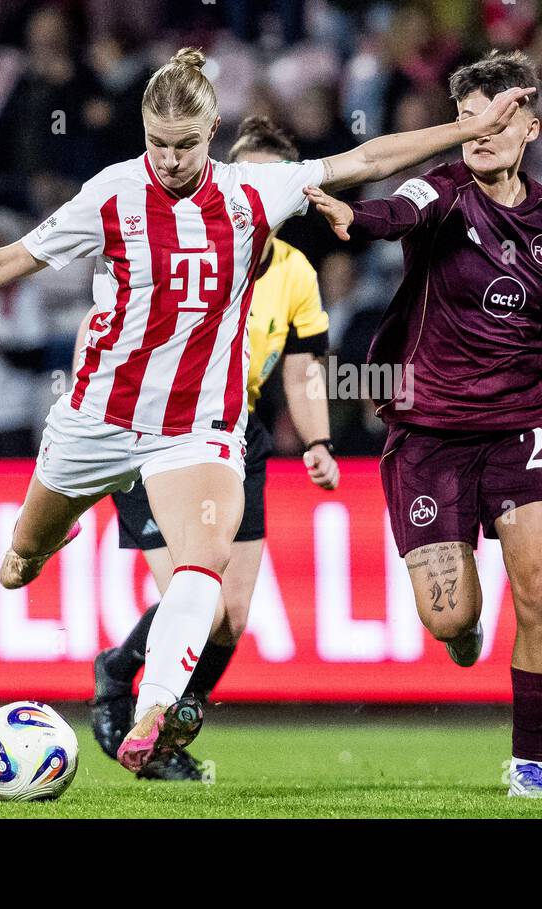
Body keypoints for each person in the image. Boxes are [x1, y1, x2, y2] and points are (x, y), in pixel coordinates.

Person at [0, 46, 535, 775]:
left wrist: (461, 134)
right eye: (158, 145)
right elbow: (11, 259)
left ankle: (155, 708)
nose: (171, 160)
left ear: (211, 135)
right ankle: (40, 558)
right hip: (97, 419)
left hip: (196, 428)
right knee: (20, 562)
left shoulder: (252, 192)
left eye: (184, 146)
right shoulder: (112, 194)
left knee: (204, 563)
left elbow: (367, 158)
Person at [305, 50, 542, 798]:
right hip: (431, 432)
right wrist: (355, 215)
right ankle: (465, 630)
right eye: (469, 119)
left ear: (529, 128)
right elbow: (395, 212)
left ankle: (529, 763)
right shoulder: (443, 191)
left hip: (522, 426)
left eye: (497, 117)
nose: (481, 132)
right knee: (451, 621)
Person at [84, 116, 339, 780]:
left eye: (265, 178)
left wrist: (317, 438)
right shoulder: (186, 239)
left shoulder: (295, 272)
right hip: (154, 427)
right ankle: (126, 689)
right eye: (239, 172)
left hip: (235, 432)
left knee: (231, 616)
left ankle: (166, 714)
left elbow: (304, 361)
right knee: (195, 596)